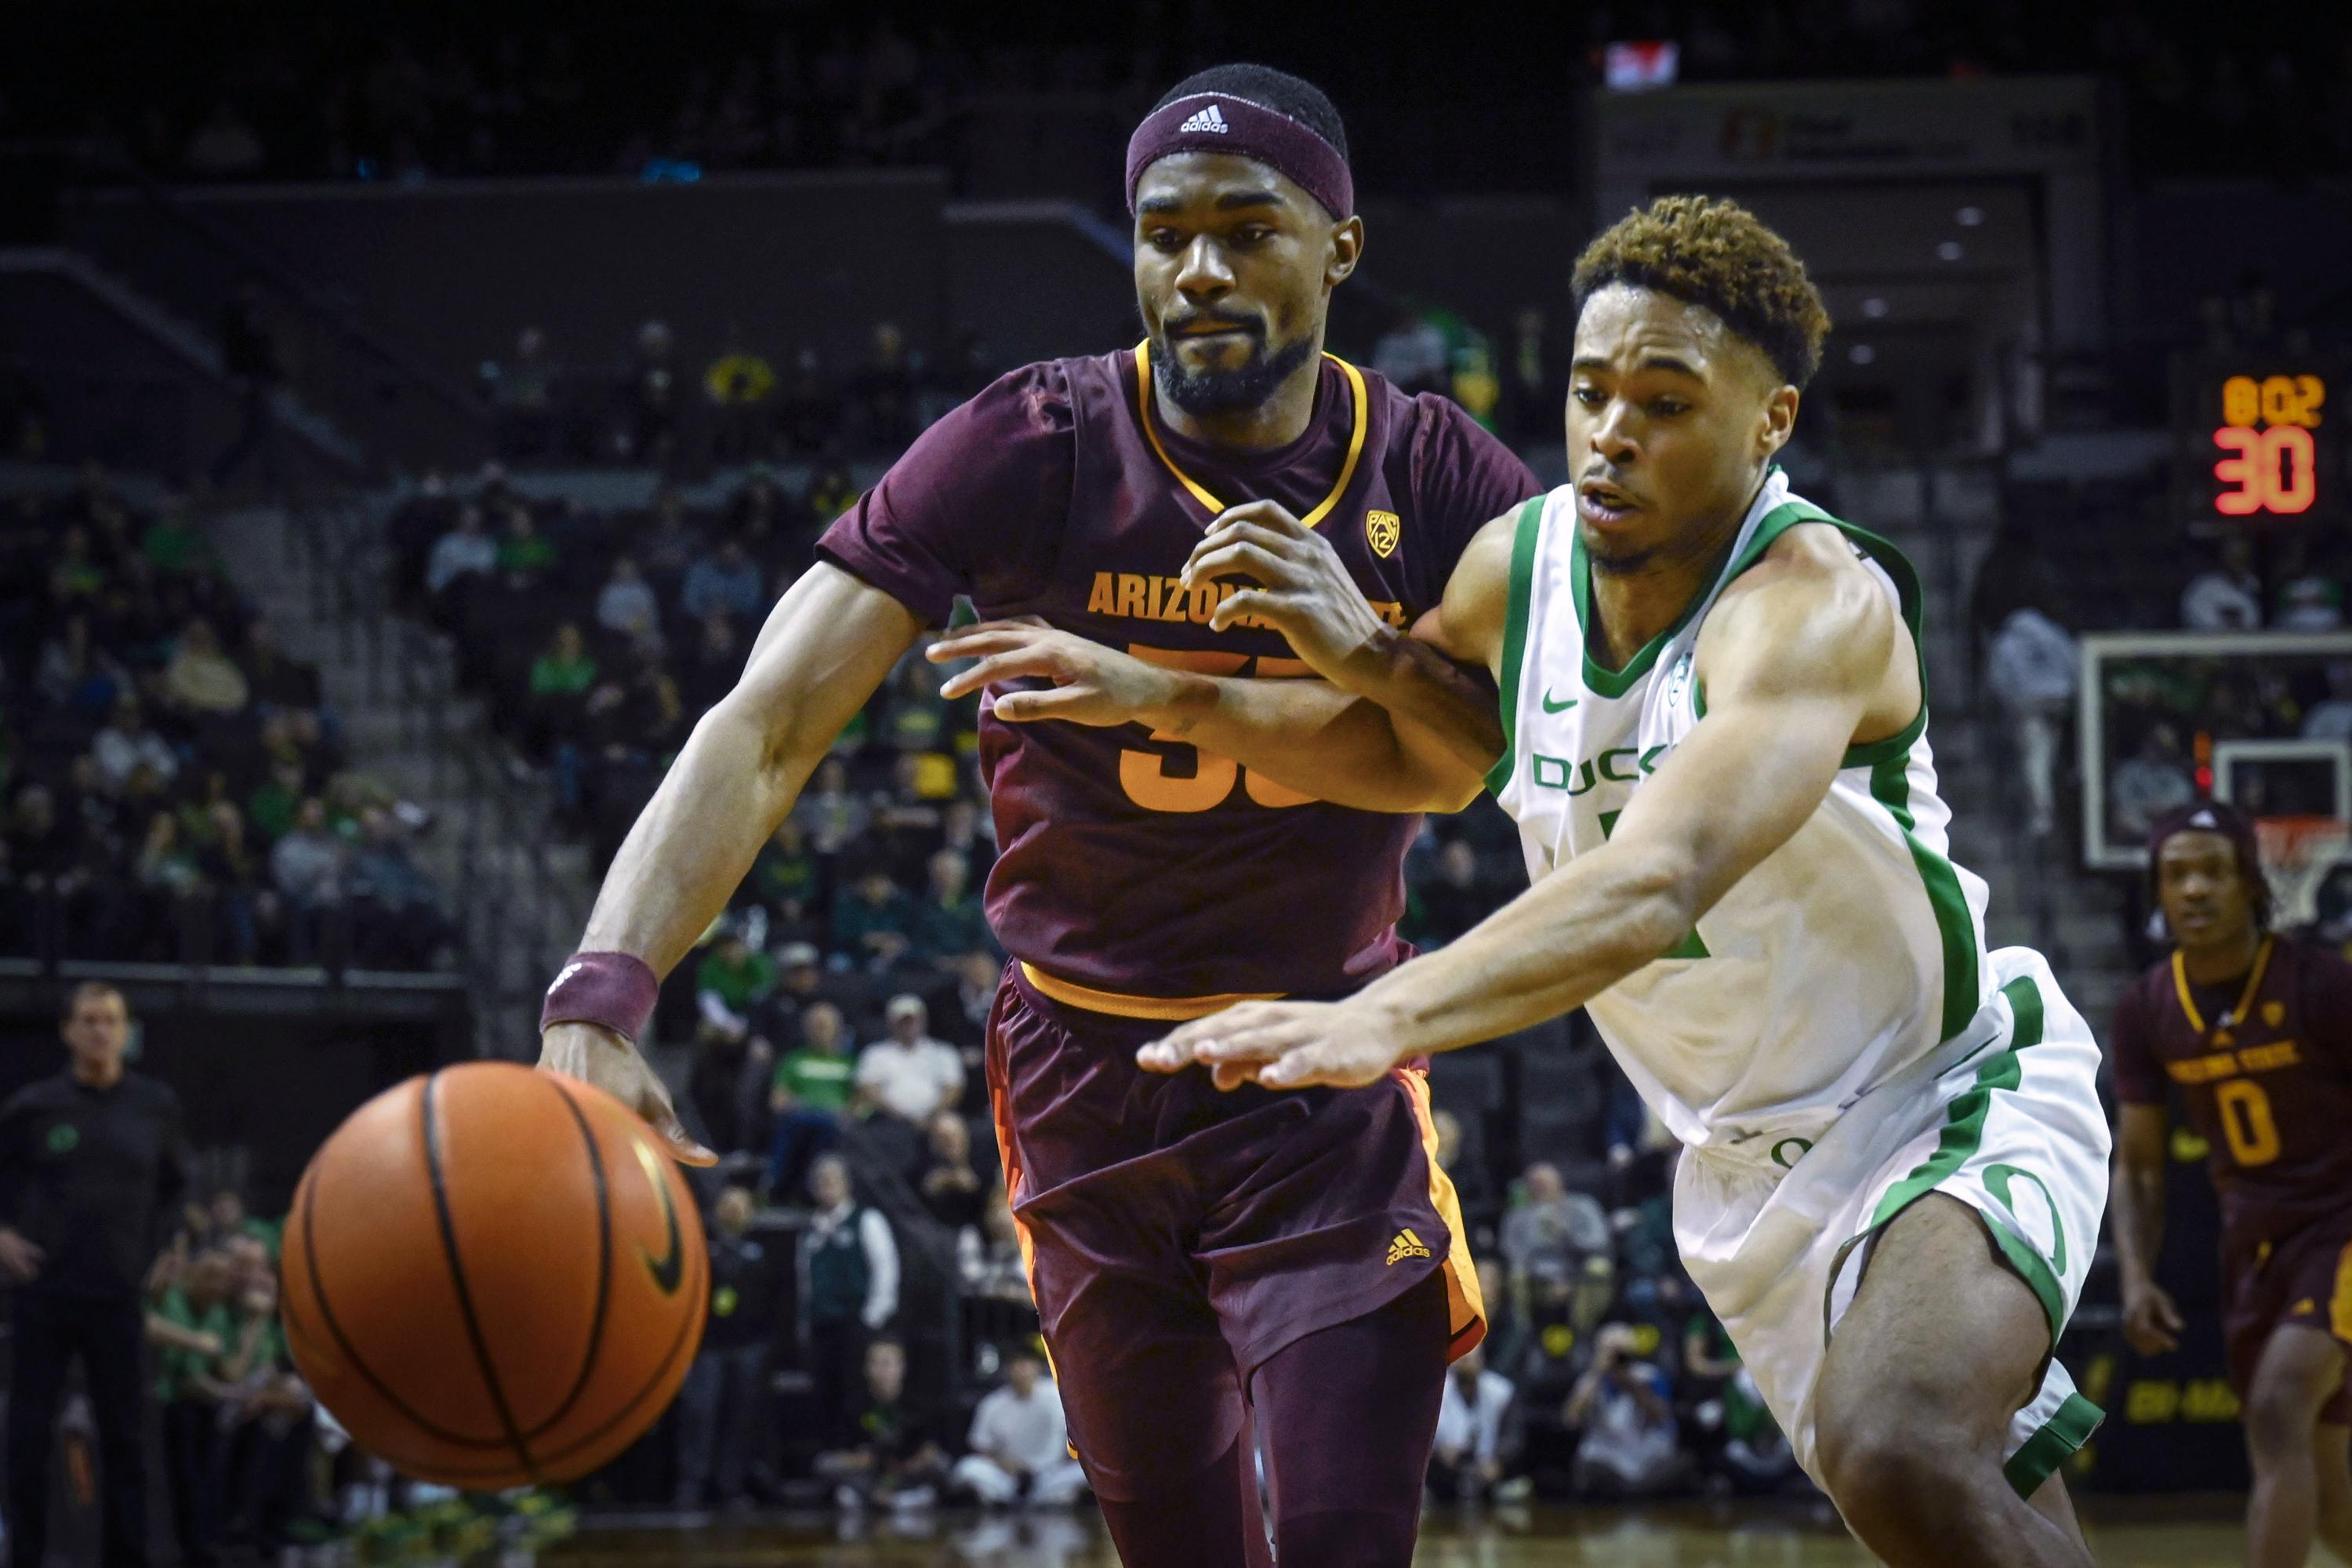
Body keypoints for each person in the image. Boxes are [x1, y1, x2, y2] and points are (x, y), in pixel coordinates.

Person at [536, 62, 1532, 1568]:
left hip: (1323, 1067)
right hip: (1086, 1068)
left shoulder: (1435, 472)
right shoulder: (1034, 443)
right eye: (1163, 230)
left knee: (1342, 1538)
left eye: (1247, 229)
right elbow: (768, 719)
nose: (1197, 268)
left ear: (1339, 247)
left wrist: (1365, 650)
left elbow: (1521, 750)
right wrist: (606, 986)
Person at [1094, 197, 2111, 1566]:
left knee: (1901, 1450)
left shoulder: (1813, 601)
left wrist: (1382, 1018)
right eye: (1590, 393)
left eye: (1667, 401)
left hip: (1944, 1096)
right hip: (1746, 1170)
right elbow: (1432, 751)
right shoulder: (1523, 562)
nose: (1612, 431)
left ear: (1771, 423)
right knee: (1961, 1515)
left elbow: (1656, 883)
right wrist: (1162, 692)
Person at [2108, 800, 2352, 1568]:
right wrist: (2139, 1275)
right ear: (2158, 894)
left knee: (2279, 1409)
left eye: (2214, 869)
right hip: (2253, 1246)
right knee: (2329, 1481)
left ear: (2252, 882)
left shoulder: (2323, 984)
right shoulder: (2148, 1007)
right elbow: (2140, 1162)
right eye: (2177, 873)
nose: (2195, 889)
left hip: (2341, 1228)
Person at [0, 982, 192, 1568]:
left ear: (126, 1030)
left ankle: (127, 1558)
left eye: (111, 1020)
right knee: (27, 1439)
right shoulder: (33, 1106)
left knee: (128, 1442)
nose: (100, 1031)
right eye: (88, 1020)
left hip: (120, 1295)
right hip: (44, 1293)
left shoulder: (156, 1105)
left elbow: (177, 1187)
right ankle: (24, 1557)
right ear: (67, 1031)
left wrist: (171, 1243)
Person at [675, 1186, 777, 1510]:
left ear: (750, 1213)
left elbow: (776, 1303)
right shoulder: (701, 1249)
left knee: (741, 1417)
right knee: (700, 1415)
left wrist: (764, 1344)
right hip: (708, 1348)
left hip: (748, 1348)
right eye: (727, 1205)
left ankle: (730, 1485)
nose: (733, 1211)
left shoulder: (761, 1253)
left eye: (740, 1205)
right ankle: (692, 1484)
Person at [797, 1154, 898, 1444]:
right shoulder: (809, 1230)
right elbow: (804, 1280)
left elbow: (885, 1268)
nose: (826, 1186)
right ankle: (829, 1458)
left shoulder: (866, 1219)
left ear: (846, 1184)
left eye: (832, 1180)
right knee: (823, 1394)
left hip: (856, 1323)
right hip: (821, 1324)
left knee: (855, 1394)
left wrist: (873, 1317)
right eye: (821, 1181)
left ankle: (859, 1454)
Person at [818, 1336, 948, 1514]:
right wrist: (858, 1460)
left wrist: (912, 1463)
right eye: (875, 1363)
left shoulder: (917, 1403)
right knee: (826, 1464)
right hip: (870, 1474)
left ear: (901, 1368)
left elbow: (930, 1448)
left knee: (941, 1464)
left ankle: (898, 1498)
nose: (881, 1370)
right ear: (866, 1368)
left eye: (887, 1363)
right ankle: (881, 1498)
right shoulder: (855, 1404)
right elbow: (839, 1448)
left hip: (905, 1471)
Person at [952, 1347, 1087, 1508]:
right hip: (1010, 1480)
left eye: (1026, 1363)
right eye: (1016, 1365)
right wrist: (1006, 1465)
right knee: (968, 1467)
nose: (1021, 1370)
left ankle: (1052, 1499)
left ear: (1037, 1366)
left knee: (1085, 1472)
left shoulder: (1058, 1396)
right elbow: (981, 1447)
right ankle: (1007, 1501)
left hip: (1050, 1476)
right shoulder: (992, 1404)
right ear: (1007, 1369)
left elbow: (1079, 1439)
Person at [1564, 1323, 1685, 1497]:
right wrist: (1597, 1373)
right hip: (1605, 1457)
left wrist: (1629, 1382)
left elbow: (1661, 1417)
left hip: (1647, 1456)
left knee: (1680, 1464)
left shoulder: (1649, 1376)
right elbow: (1572, 1419)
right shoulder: (1590, 1380)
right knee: (1586, 1469)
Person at [767, 1000, 854, 1199]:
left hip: (836, 1119)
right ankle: (776, 1184)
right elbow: (777, 1100)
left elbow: (859, 1100)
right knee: (801, 1123)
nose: (819, 1031)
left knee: (828, 1126)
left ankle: (809, 1187)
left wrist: (850, 1111)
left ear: (837, 1030)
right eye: (814, 1026)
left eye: (824, 1026)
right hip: (800, 1116)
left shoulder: (849, 1062)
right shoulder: (793, 1060)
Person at [1428, 1344, 1519, 1503]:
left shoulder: (1501, 1392)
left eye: (1471, 1361)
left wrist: (1499, 1462)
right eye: (1462, 1361)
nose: (1467, 1367)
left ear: (1482, 1362)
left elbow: (1512, 1437)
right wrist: (1439, 1451)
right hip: (1444, 1472)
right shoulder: (1436, 1390)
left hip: (1487, 1470)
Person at [858, 994, 964, 1125]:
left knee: (950, 1126)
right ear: (891, 1023)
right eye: (903, 1022)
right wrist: (901, 1118)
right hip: (889, 1119)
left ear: (924, 1021)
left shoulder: (943, 1052)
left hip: (936, 1119)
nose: (909, 1026)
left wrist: (931, 1116)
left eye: (913, 1020)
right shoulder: (875, 1053)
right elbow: (869, 1089)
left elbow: (953, 1089)